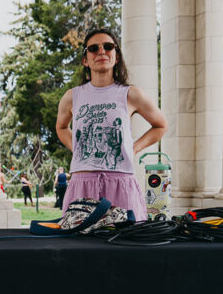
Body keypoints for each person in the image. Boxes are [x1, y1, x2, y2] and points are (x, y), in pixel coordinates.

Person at [56, 28, 167, 221]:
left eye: (108, 47)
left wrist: (134, 148)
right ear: (85, 60)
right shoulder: (72, 96)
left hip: (120, 183)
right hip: (82, 184)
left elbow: (160, 125)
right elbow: (61, 127)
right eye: (93, 48)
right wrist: (77, 147)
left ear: (117, 57)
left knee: (127, 238)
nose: (101, 51)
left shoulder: (131, 94)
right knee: (78, 238)